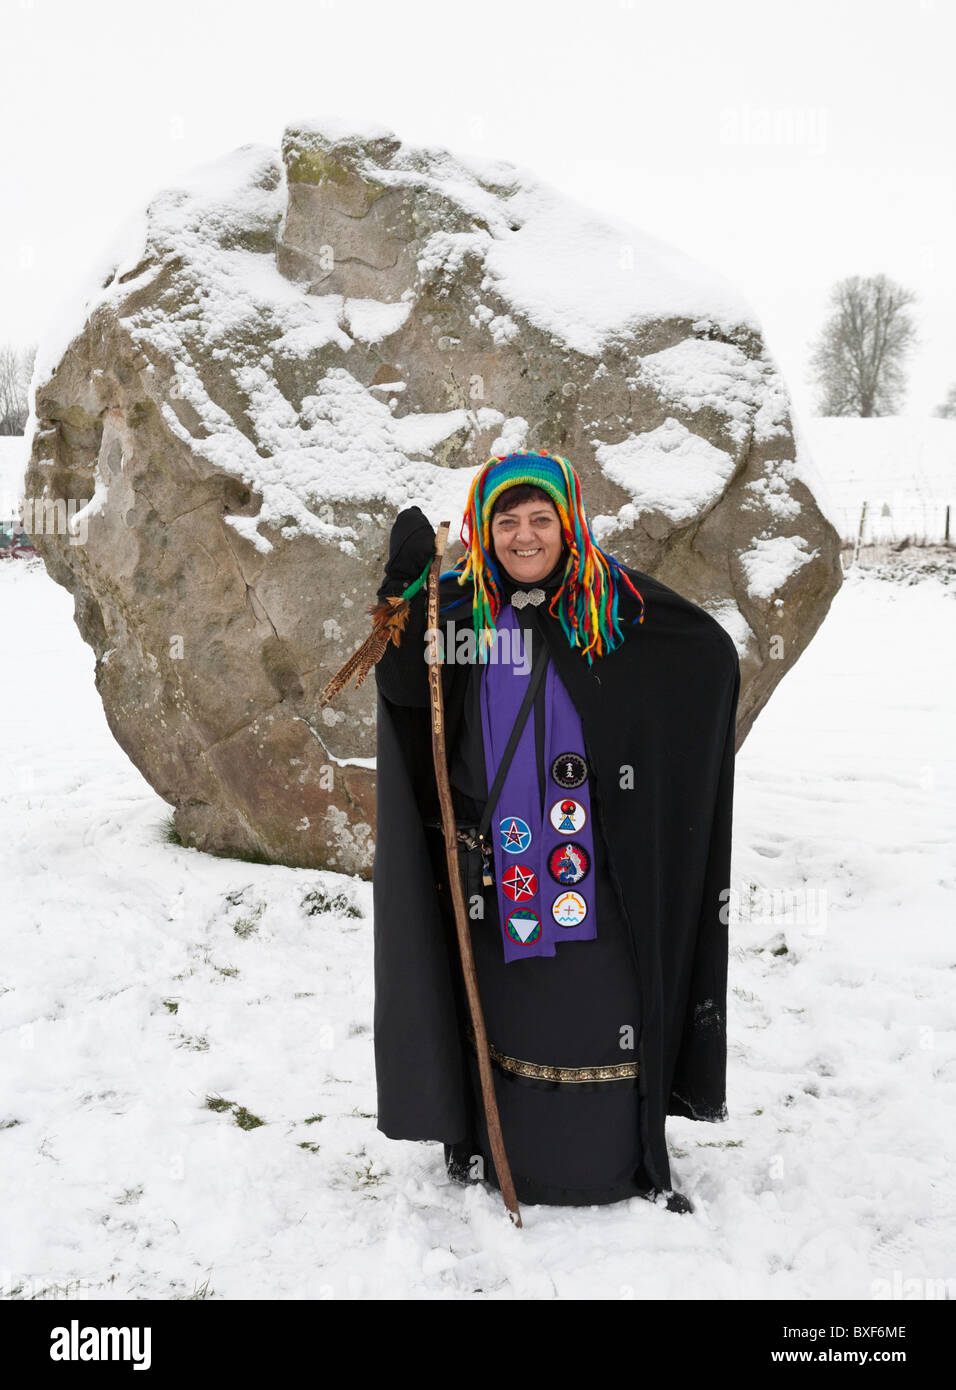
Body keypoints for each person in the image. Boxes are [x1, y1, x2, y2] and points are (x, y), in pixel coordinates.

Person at [372, 449, 740, 1212]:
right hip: (498, 872)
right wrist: (399, 600)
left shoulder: (614, 610)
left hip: (596, 873)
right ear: (484, 529)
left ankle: (608, 1165)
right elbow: (409, 690)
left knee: (599, 1013)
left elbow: (704, 656)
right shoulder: (465, 612)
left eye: (542, 519)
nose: (525, 536)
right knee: (511, 1012)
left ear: (569, 524)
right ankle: (508, 1157)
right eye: (507, 521)